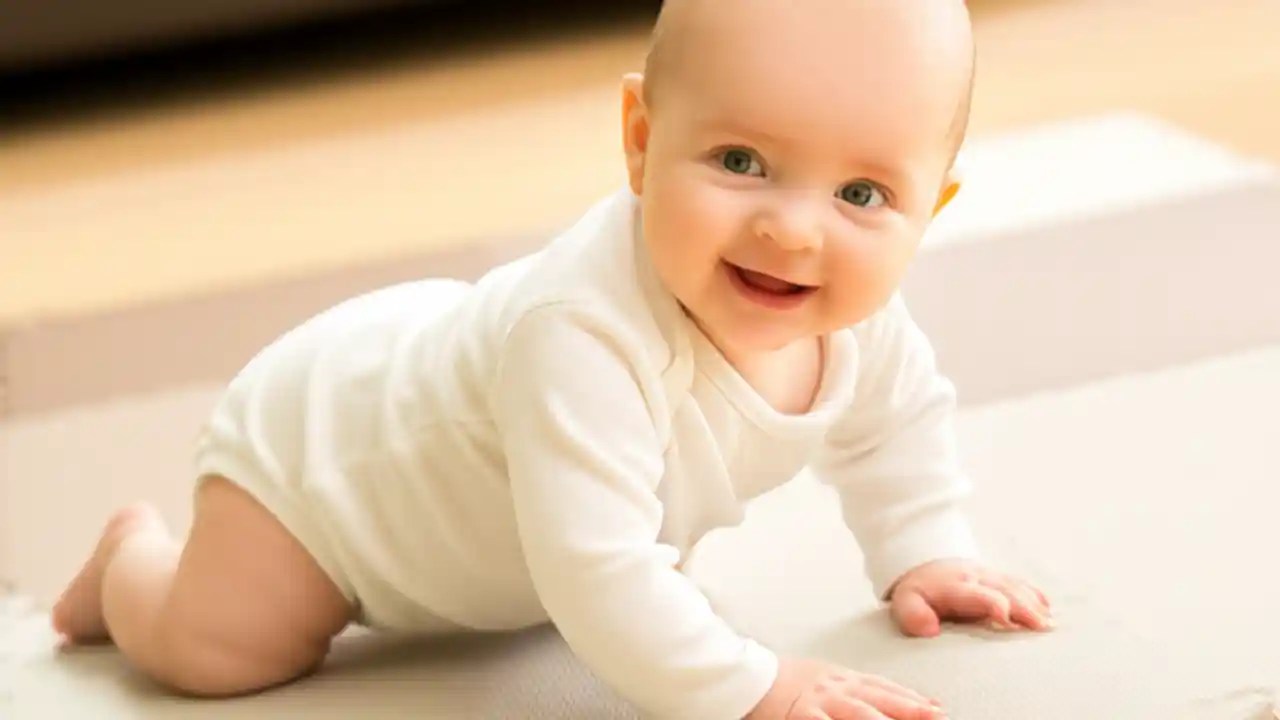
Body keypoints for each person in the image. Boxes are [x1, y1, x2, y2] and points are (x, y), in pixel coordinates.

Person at [52, 1, 1053, 717]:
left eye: (863, 196)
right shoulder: (579, 334)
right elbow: (596, 576)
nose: (792, 232)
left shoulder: (859, 328)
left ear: (933, 211)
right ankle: (128, 564)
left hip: (499, 531)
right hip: (326, 478)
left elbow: (895, 429)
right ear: (639, 138)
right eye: (740, 163)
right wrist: (757, 686)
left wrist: (924, 548)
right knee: (218, 653)